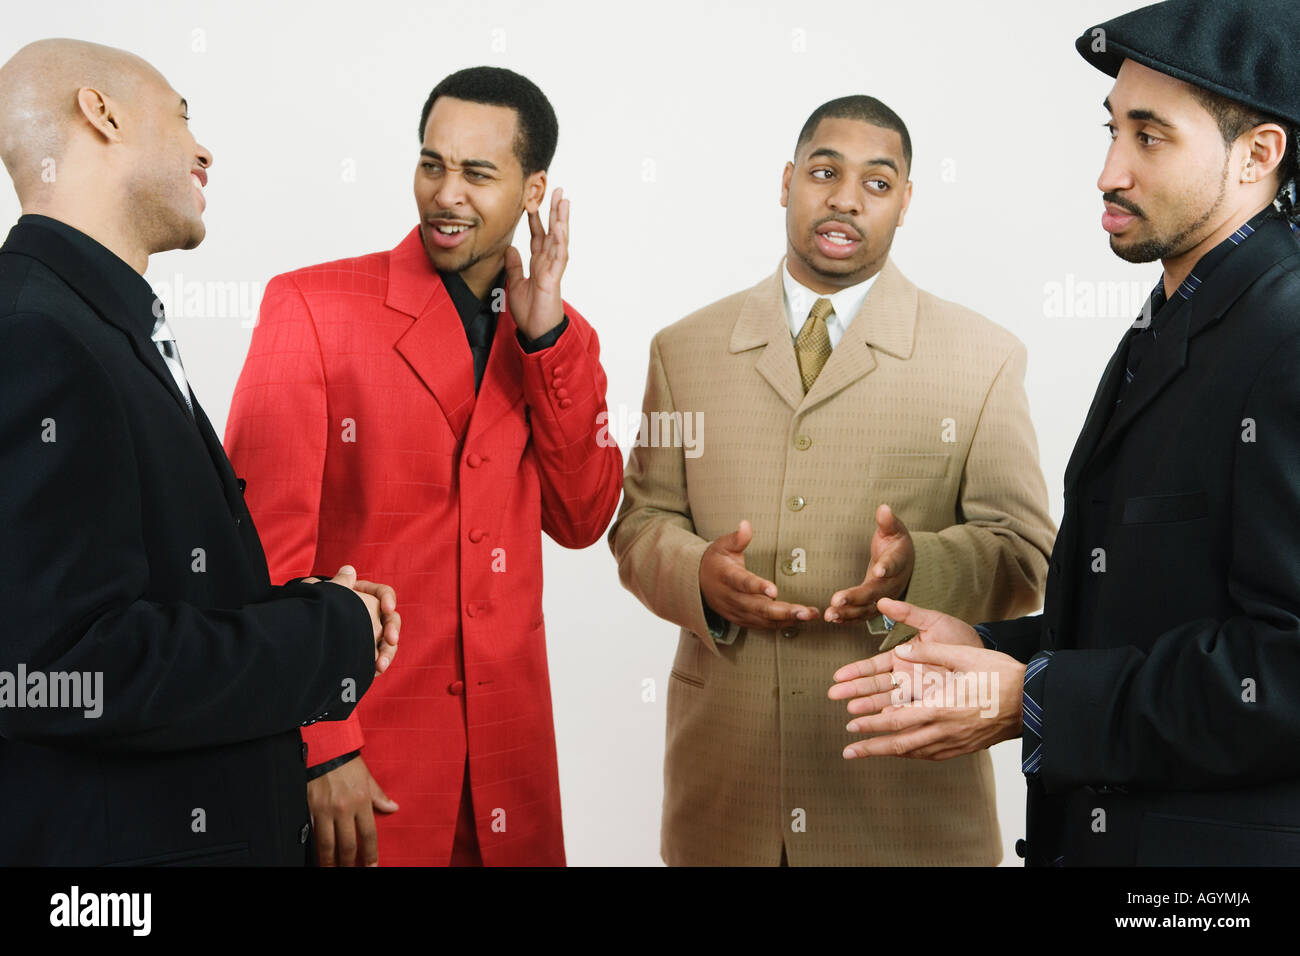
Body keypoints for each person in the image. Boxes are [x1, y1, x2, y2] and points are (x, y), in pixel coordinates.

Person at [830, 0, 1300, 866]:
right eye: (1112, 129)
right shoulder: (1178, 318)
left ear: (1258, 156)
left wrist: (1034, 701)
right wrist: (994, 649)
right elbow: (1161, 609)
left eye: (1150, 137)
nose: (1109, 171)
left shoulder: (1285, 333)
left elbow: (1284, 668)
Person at [608, 95, 1056, 865]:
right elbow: (639, 524)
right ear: (786, 181)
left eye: (877, 183)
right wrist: (698, 577)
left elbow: (1024, 557)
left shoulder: (983, 358)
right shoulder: (682, 350)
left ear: (906, 203)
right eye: (824, 172)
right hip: (726, 796)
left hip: (904, 804)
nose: (846, 198)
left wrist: (923, 565)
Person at [0, 38, 398, 866]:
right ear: (99, 113)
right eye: (183, 116)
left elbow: (124, 600)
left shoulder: (88, 321)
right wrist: (328, 637)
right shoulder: (40, 332)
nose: (204, 147)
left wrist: (304, 609)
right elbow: (65, 666)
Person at [224, 66, 623, 866]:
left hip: (510, 775)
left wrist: (546, 343)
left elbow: (581, 522)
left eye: (478, 173)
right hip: (365, 769)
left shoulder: (558, 335)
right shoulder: (312, 306)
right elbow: (258, 559)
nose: (446, 194)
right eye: (431, 163)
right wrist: (323, 744)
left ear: (533, 188)